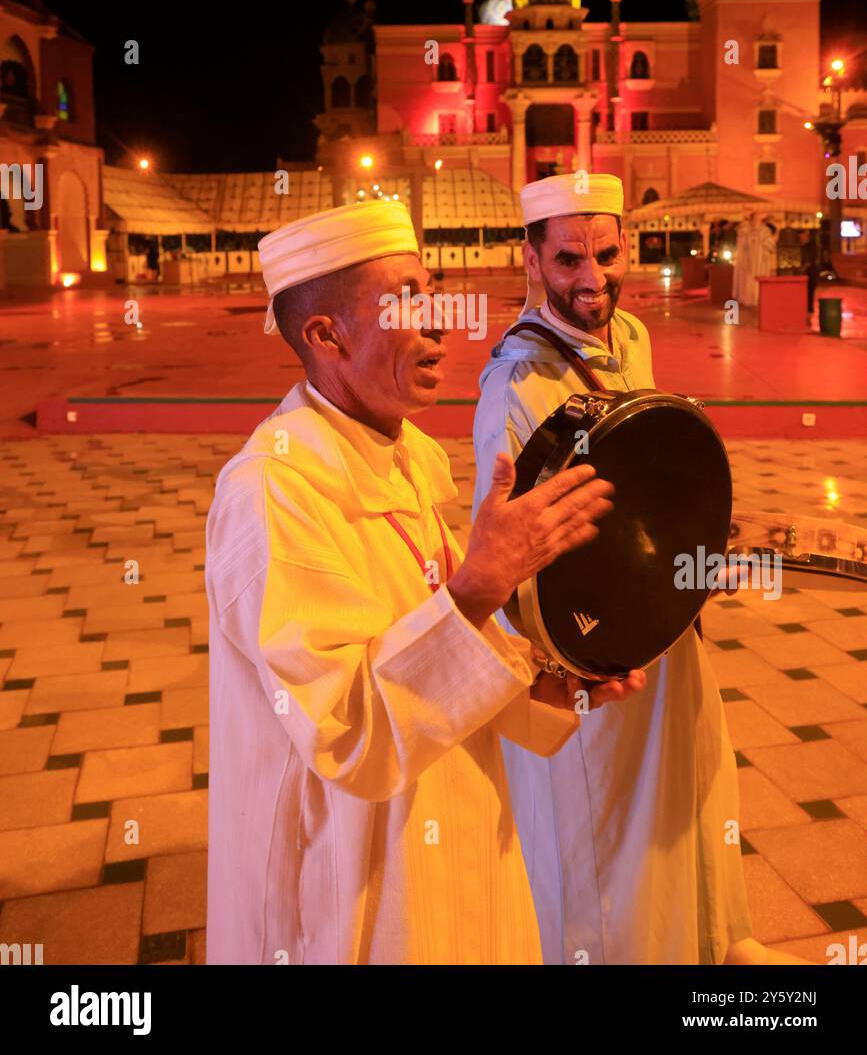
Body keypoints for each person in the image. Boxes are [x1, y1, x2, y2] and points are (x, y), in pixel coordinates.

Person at [205, 198, 643, 965]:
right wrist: (479, 584)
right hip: (350, 886)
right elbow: (346, 730)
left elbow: (445, 656)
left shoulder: (406, 454)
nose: (440, 321)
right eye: (406, 300)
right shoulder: (272, 492)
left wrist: (556, 681)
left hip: (456, 830)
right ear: (324, 333)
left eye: (431, 292)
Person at [473, 172, 810, 967]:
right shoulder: (514, 381)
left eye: (606, 253)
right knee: (606, 834)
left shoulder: (630, 337)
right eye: (566, 262)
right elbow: (505, 550)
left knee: (688, 790)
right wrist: (559, 666)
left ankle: (712, 947)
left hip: (661, 615)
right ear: (531, 259)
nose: (591, 280)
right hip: (590, 649)